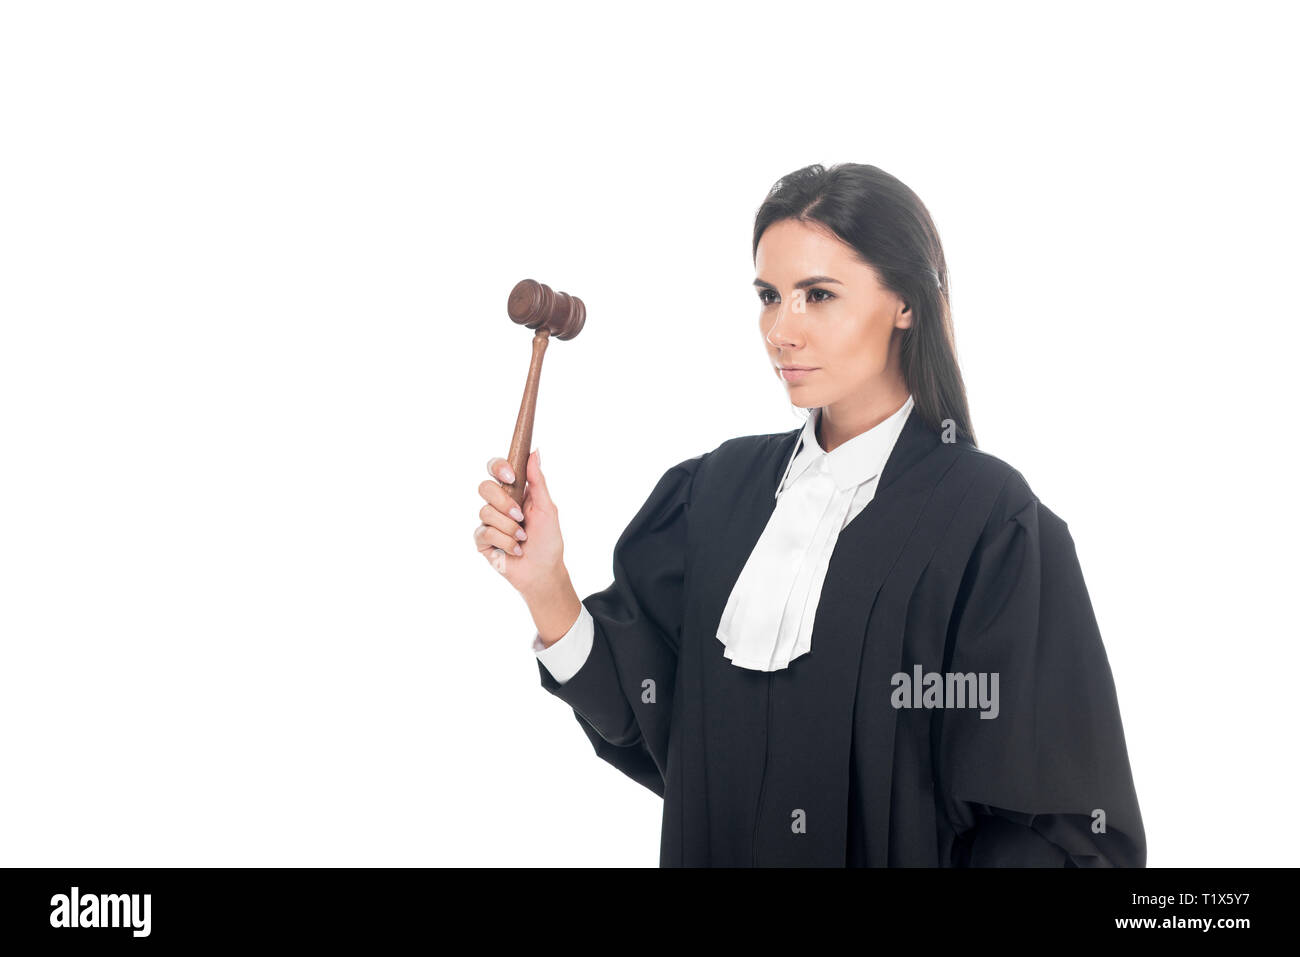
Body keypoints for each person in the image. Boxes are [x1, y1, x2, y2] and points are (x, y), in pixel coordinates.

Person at [474, 163, 1145, 867]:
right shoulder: (714, 494)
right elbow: (655, 727)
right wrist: (544, 581)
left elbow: (1050, 829)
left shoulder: (991, 525)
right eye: (770, 295)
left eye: (817, 295)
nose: (779, 331)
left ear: (905, 304)